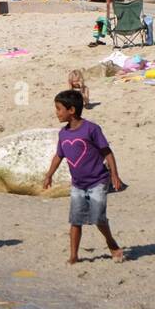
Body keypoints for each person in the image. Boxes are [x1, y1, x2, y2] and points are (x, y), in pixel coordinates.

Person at [43, 89, 126, 265]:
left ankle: (111, 243)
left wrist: (115, 175)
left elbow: (107, 152)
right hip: (78, 184)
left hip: (98, 181)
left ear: (71, 110)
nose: (56, 112)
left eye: (59, 109)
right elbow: (59, 156)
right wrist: (49, 174)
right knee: (75, 220)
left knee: (97, 217)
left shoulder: (92, 129)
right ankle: (74, 255)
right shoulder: (63, 134)